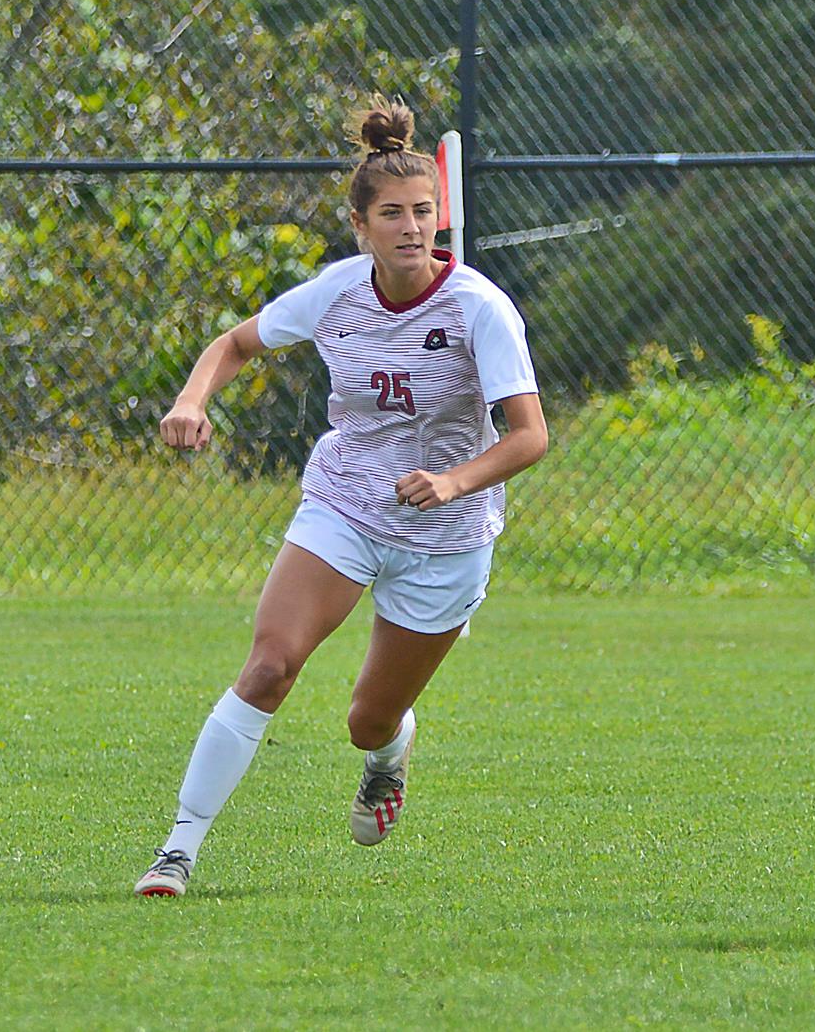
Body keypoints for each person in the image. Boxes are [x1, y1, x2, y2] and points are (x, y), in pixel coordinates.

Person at [134, 96, 548, 898]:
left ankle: (388, 755)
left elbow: (529, 435)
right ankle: (178, 849)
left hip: (448, 533)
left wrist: (453, 480)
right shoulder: (337, 292)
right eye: (391, 213)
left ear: (441, 217)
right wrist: (193, 399)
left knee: (366, 719)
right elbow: (236, 343)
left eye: (424, 211)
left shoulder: (479, 307)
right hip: (347, 504)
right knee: (267, 667)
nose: (410, 226)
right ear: (360, 226)